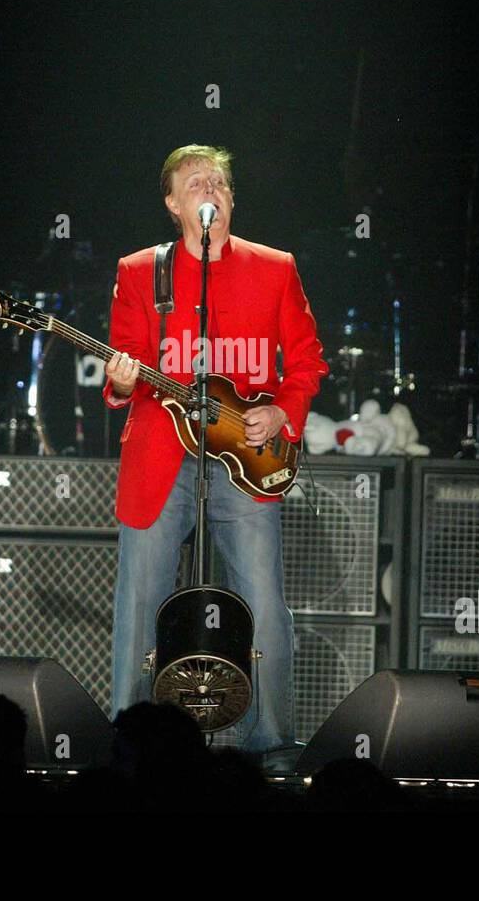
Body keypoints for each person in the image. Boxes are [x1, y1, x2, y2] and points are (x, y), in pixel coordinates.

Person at [102, 143, 328, 756]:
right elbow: (123, 370)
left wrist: (281, 411)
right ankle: (132, 740)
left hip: (246, 457)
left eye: (220, 182)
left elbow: (307, 361)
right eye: (196, 182)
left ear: (231, 200)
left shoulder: (275, 267)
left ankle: (272, 742)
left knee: (261, 603)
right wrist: (123, 379)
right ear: (174, 204)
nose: (211, 189)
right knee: (140, 606)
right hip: (159, 456)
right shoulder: (138, 271)